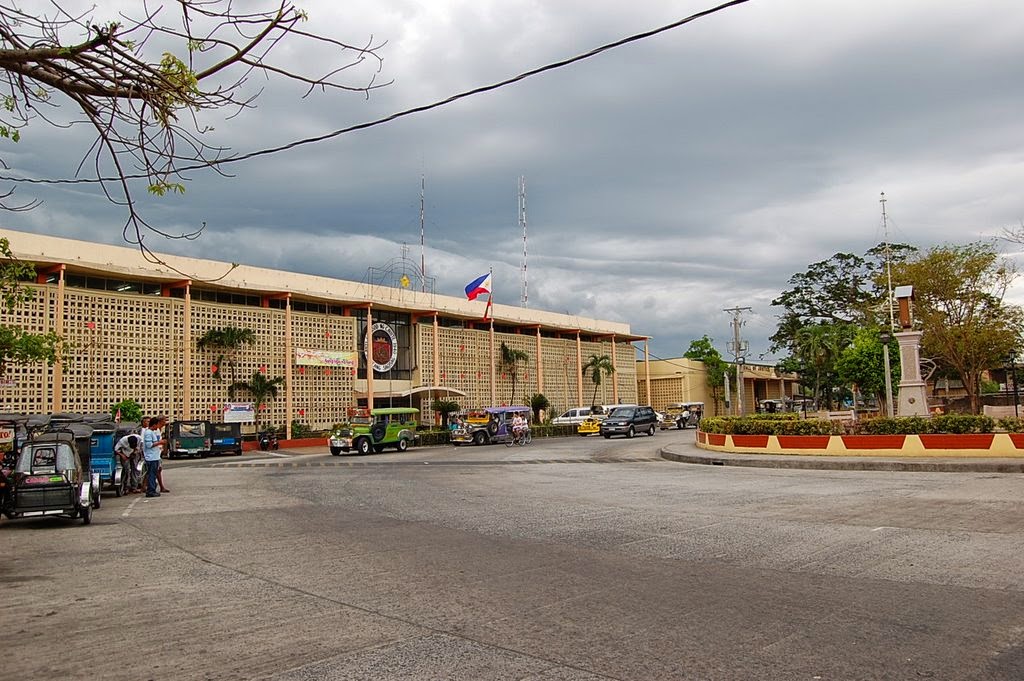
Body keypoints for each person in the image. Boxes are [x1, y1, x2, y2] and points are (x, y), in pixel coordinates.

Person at [141, 415, 167, 497]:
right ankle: (150, 490)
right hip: (151, 457)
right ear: (154, 425)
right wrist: (160, 442)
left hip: (154, 456)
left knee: (153, 473)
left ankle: (151, 489)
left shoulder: (151, 432)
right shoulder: (148, 433)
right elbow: (149, 445)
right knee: (152, 474)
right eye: (157, 425)